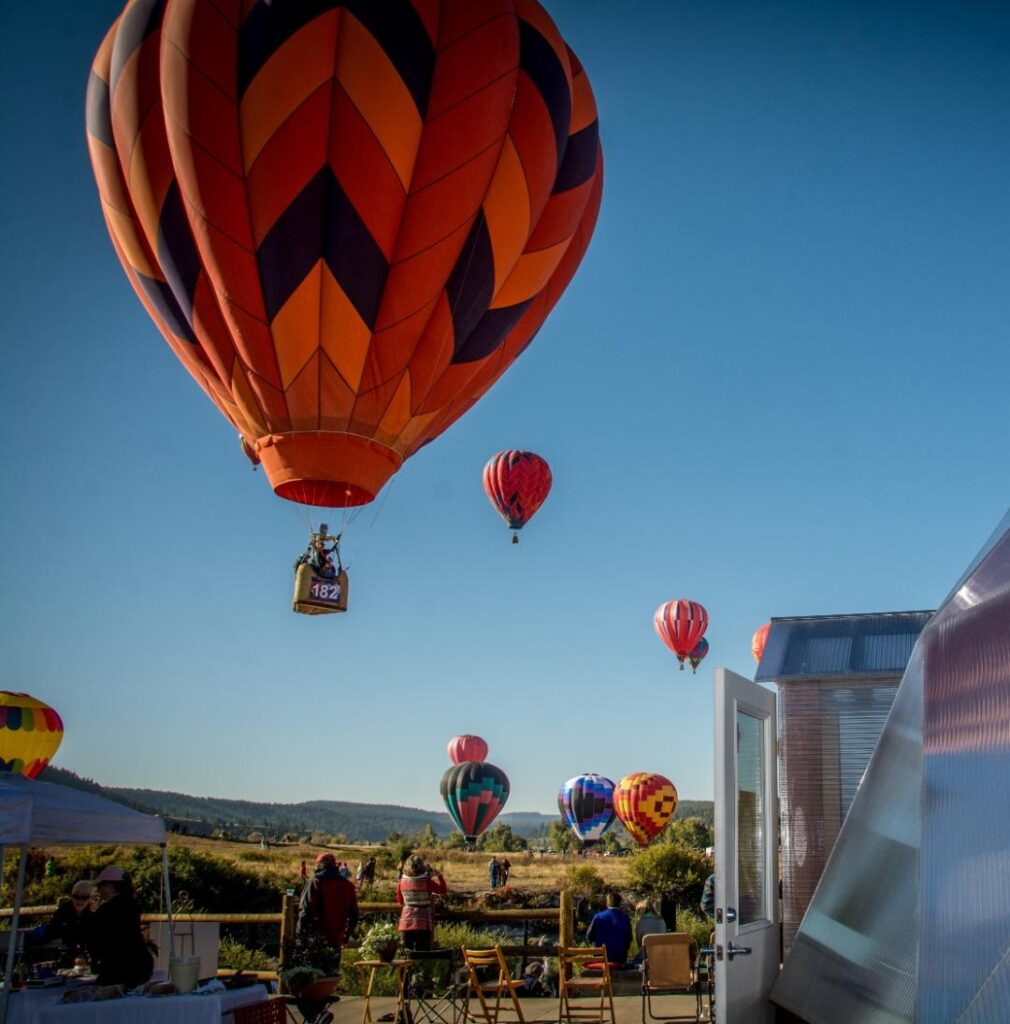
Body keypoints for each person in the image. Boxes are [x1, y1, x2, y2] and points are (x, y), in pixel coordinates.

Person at [88, 866, 154, 989]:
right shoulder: (133, 905)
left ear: (109, 887)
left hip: (119, 967)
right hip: (141, 964)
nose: (99, 891)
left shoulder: (106, 910)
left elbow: (98, 939)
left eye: (100, 887)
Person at [297, 853, 359, 953]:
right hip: (337, 939)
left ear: (320, 865)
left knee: (314, 968)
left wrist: (300, 937)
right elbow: (354, 915)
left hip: (316, 938)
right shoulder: (348, 886)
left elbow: (305, 910)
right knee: (333, 967)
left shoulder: (315, 882)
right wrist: (346, 936)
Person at [28, 881, 94, 966]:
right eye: (76, 897)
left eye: (84, 897)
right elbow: (54, 930)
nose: (80, 900)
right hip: (58, 956)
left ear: (89, 899)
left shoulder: (92, 916)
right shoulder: (63, 912)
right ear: (72, 896)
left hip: (84, 960)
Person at [395, 855, 447, 953]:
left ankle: (407, 968)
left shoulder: (402, 882)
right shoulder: (427, 882)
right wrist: (439, 875)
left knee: (407, 951)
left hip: (407, 920)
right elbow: (443, 890)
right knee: (422, 951)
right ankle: (420, 968)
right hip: (423, 920)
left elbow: (400, 901)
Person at [585, 891, 632, 968]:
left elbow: (589, 937)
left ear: (607, 902)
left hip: (601, 960)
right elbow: (628, 939)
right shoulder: (625, 918)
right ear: (619, 903)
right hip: (619, 960)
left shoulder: (598, 917)